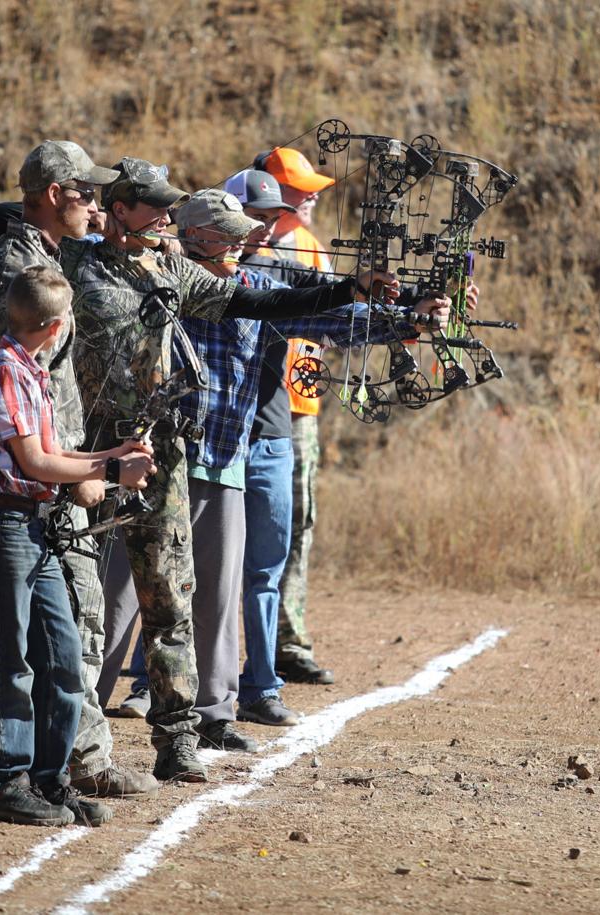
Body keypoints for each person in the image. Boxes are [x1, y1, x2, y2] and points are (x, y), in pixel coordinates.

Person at [62, 157, 394, 781]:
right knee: (114, 594)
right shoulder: (138, 273)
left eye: (253, 233)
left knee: (197, 596)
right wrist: (104, 228)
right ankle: (81, 712)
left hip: (206, 462)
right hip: (128, 460)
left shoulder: (216, 283)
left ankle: (203, 721)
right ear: (198, 237)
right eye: (236, 235)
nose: (252, 242)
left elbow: (303, 311)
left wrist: (397, 313)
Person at [171, 188, 449, 746]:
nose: (258, 232)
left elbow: (331, 317)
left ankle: (239, 697)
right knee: (161, 582)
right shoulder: (178, 279)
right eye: (245, 224)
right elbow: (301, 303)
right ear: (204, 232)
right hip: (178, 453)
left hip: (247, 447)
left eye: (266, 221)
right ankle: (123, 700)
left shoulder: (269, 277)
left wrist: (409, 317)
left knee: (247, 576)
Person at [0, 140, 159, 800]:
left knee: (69, 616)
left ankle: (69, 757)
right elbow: (6, 387)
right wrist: (73, 471)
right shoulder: (11, 267)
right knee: (7, 629)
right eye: (86, 193)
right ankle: (8, 764)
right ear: (51, 195)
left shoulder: (47, 257)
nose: (96, 204)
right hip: (27, 477)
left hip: (58, 468)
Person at [253, 148, 337, 686]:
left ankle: (288, 641)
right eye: (298, 187)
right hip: (247, 408)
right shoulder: (236, 244)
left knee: (295, 524)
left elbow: (338, 321)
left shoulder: (310, 248)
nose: (310, 196)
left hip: (299, 409)